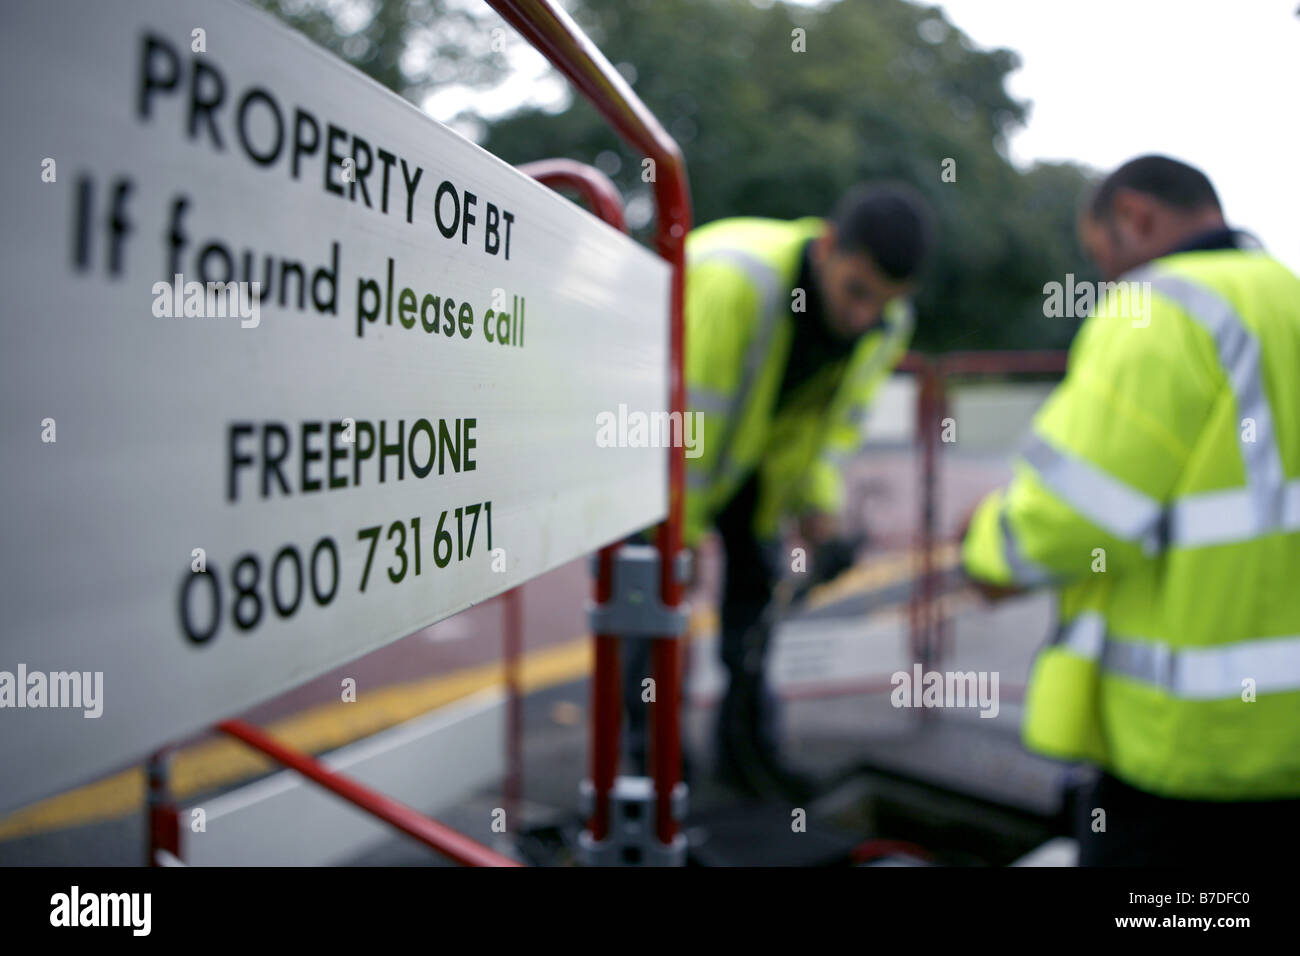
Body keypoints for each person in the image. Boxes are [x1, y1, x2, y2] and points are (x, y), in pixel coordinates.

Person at [960, 155, 1300, 865]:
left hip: (1188, 752)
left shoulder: (1160, 308)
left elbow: (1073, 515)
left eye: (1100, 255)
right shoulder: (1286, 295)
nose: (1107, 278)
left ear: (1136, 217)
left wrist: (986, 548)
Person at [624, 183, 934, 800]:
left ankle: (748, 756)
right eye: (857, 291)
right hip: (654, 461)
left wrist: (817, 504)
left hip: (750, 468)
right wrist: (673, 543)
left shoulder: (889, 321)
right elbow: (683, 424)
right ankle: (655, 774)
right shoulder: (735, 281)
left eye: (886, 300)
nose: (864, 317)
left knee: (755, 617)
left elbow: (835, 421)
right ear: (826, 248)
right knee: (651, 625)